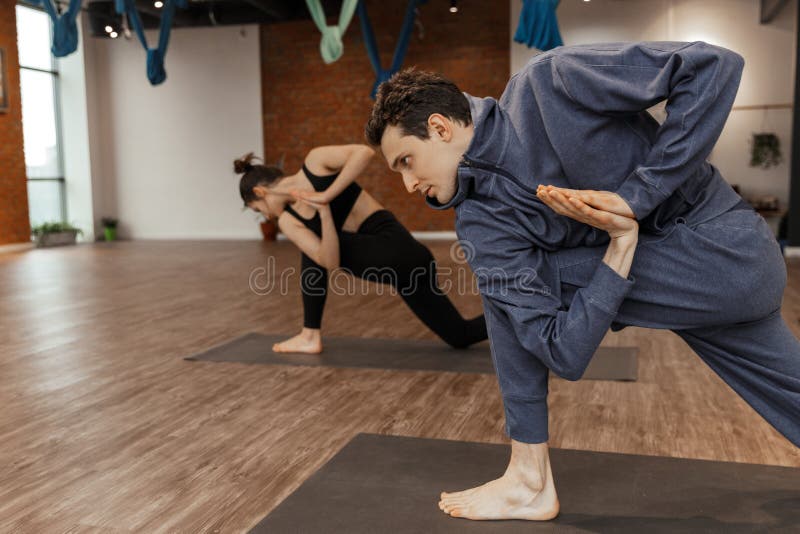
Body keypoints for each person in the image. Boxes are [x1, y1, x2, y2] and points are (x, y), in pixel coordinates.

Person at [365, 41, 800, 521]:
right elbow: (562, 353)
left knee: (502, 287)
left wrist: (639, 197)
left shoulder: (550, 83)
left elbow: (715, 67)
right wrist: (619, 247)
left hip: (726, 250)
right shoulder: (481, 222)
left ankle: (529, 478)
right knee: (503, 280)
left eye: (405, 161)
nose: (407, 186)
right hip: (703, 288)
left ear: (439, 127)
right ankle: (527, 478)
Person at [234, 144, 487, 354]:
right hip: (411, 268)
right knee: (459, 335)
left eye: (259, 209)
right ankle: (519, 309)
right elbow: (329, 262)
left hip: (398, 253)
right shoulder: (290, 219)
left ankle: (310, 334)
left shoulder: (315, 163)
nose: (265, 216)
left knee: (310, 247)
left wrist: (327, 195)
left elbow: (364, 153)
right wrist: (324, 214)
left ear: (260, 191)